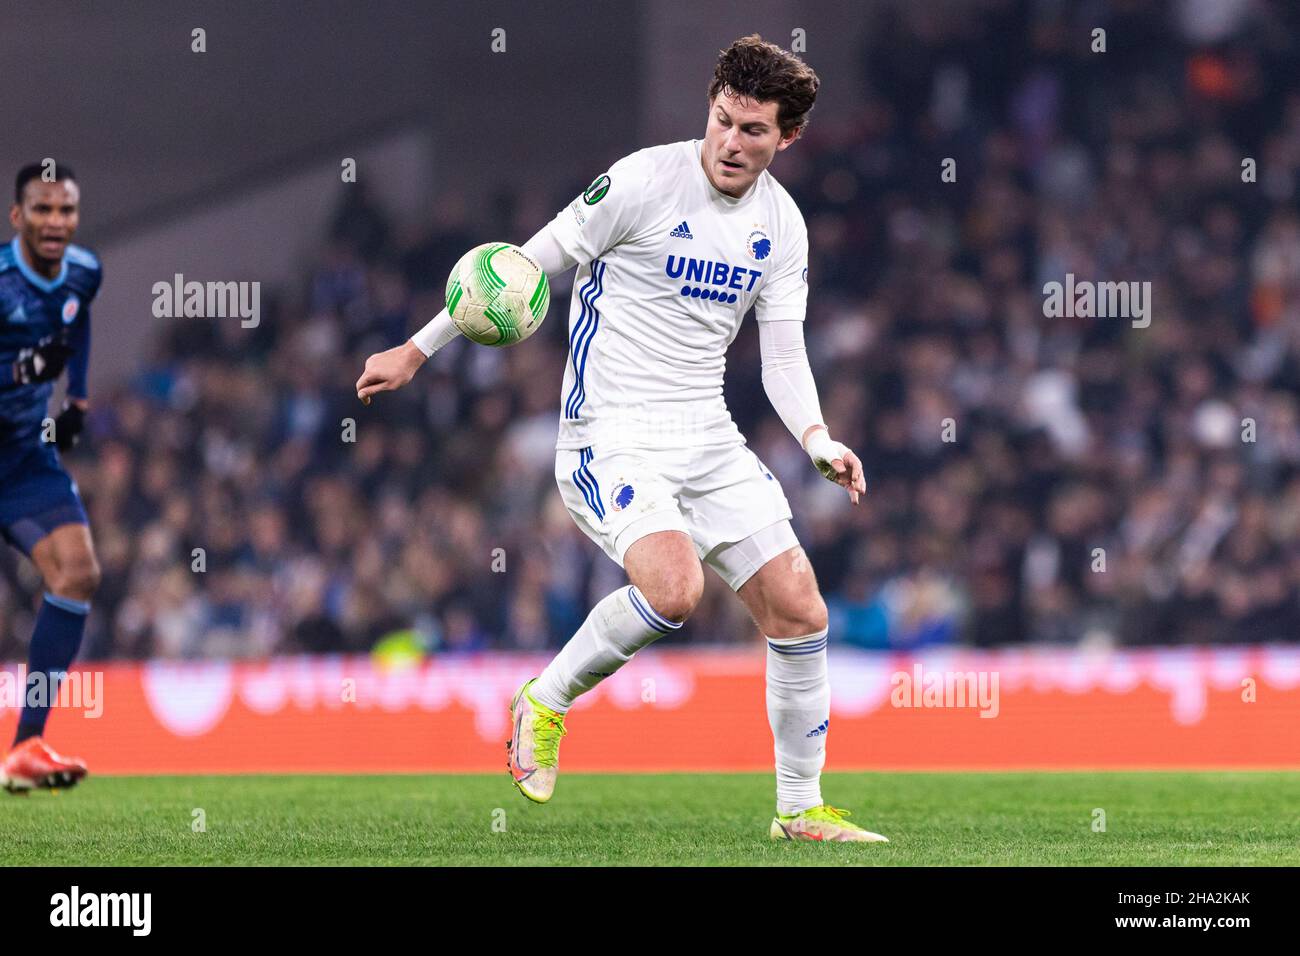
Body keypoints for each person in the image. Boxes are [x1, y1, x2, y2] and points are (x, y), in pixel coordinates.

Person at [356, 36, 884, 843]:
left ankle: (799, 811)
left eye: (753, 131)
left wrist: (817, 439)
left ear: (789, 139)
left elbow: (782, 356)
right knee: (675, 591)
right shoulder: (643, 181)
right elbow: (522, 269)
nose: (731, 143)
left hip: (706, 432)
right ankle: (546, 699)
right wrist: (417, 349)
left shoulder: (782, 226)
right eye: (723, 121)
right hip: (611, 432)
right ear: (708, 107)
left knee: (800, 609)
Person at [0, 163, 101, 793]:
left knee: (79, 570)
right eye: (42, 209)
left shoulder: (85, 272)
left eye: (65, 210)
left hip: (23, 459)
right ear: (18, 217)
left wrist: (78, 400)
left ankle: (25, 747)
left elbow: (78, 318)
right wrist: (19, 371)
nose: (55, 222)